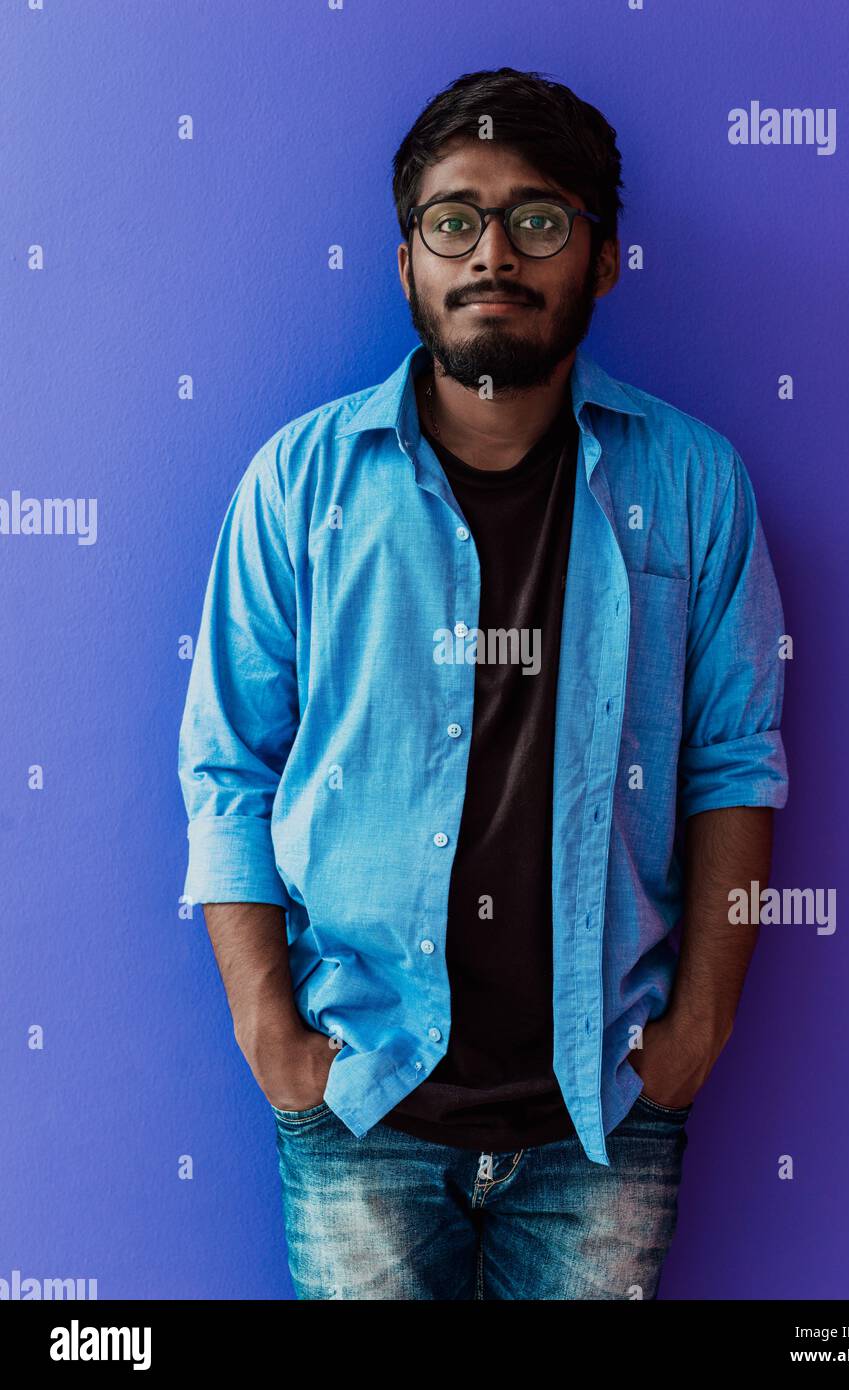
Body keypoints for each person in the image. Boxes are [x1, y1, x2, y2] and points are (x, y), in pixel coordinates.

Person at [178, 66, 789, 1300]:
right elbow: (228, 765)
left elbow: (734, 761)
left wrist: (697, 1031)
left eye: (539, 219)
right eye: (454, 220)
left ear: (605, 260)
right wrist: (270, 1035)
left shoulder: (694, 484)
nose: (493, 254)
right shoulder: (298, 489)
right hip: (364, 1102)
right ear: (407, 261)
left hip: (603, 1113)